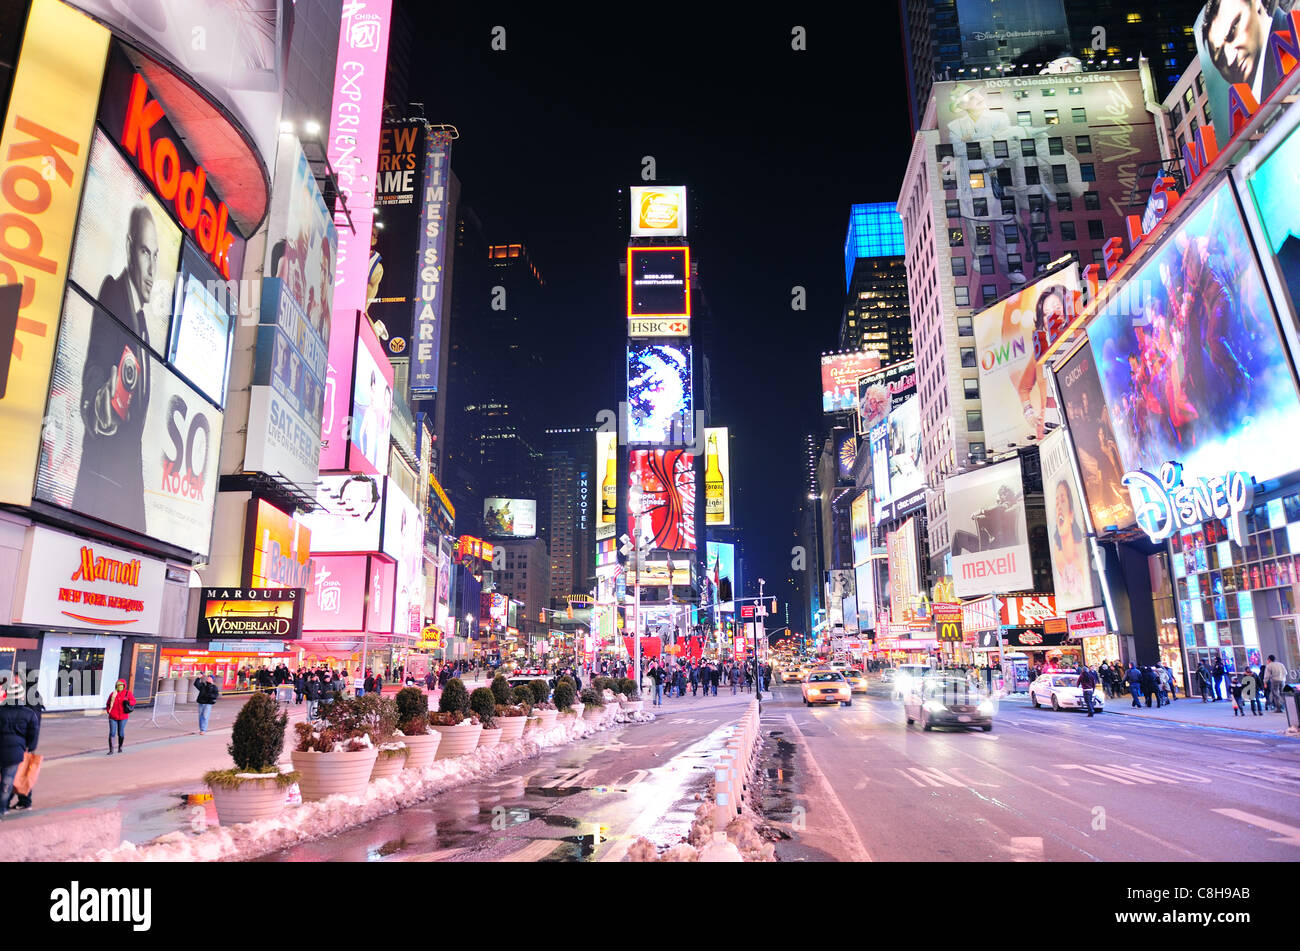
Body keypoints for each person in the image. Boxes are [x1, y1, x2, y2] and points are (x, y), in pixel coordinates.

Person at [75, 204, 158, 534]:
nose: (151, 268)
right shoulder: (113, 293)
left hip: (126, 503)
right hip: (102, 495)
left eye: (155, 255)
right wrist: (99, 406)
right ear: (128, 249)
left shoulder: (142, 324)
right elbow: (95, 367)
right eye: (143, 252)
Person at [0, 677, 40, 818]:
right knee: (8, 780)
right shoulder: (29, 714)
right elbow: (33, 733)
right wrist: (30, 747)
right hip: (15, 752)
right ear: (22, 697)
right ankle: (2, 809)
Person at [105, 679, 135, 755]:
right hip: (113, 717)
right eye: (118, 685)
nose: (120, 687)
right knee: (112, 733)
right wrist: (109, 711)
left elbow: (133, 701)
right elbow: (108, 703)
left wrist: (128, 702)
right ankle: (111, 750)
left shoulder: (128, 693)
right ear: (116, 686)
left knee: (120, 733)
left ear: (124, 686)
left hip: (123, 717)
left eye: (121, 685)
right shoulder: (113, 694)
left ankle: (120, 746)